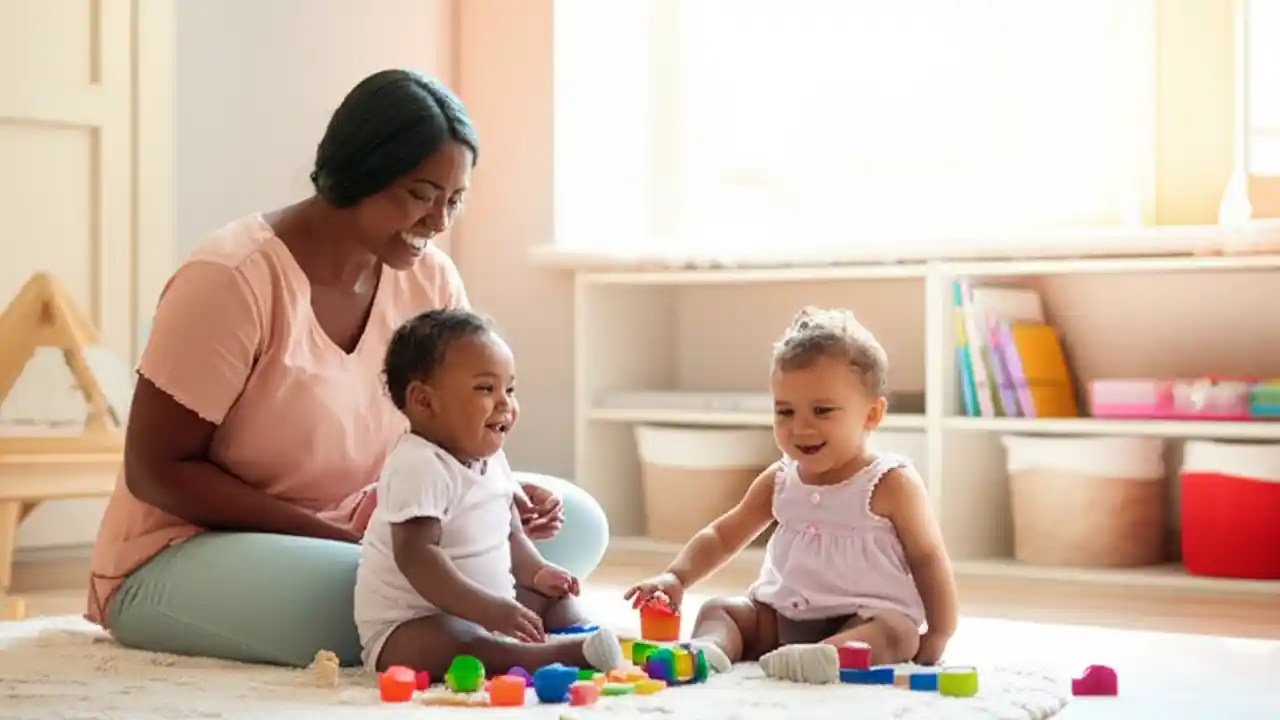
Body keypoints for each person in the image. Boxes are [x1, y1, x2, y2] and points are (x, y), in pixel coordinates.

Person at [86, 69, 609, 668]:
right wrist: (345, 537)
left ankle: (466, 614)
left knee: (577, 522)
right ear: (360, 170)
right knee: (359, 594)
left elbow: (456, 423)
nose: (439, 222)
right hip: (191, 547)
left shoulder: (431, 277)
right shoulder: (231, 280)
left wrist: (499, 492)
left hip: (378, 524)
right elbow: (157, 472)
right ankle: (468, 621)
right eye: (421, 194)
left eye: (455, 200)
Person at [625, 307, 958, 670]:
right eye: (785, 412)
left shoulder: (890, 483)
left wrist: (940, 631)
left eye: (822, 411)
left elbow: (928, 558)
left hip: (865, 618)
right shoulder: (781, 480)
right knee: (720, 609)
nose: (800, 428)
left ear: (872, 415)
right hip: (783, 615)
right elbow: (723, 535)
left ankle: (826, 656)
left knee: (898, 633)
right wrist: (677, 576)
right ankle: (710, 649)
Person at [355, 308, 624, 676]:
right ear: (423, 401)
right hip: (414, 626)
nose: (505, 403)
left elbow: (509, 531)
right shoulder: (418, 465)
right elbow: (417, 558)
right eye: (486, 388)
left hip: (487, 610)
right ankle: (553, 656)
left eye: (509, 389)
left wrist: (537, 572)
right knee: (460, 640)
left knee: (552, 597)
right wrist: (488, 611)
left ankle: (582, 634)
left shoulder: (490, 458)